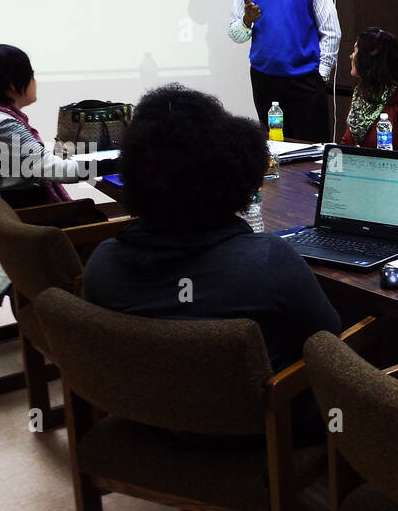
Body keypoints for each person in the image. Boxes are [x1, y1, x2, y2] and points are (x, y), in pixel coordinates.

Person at [82, 84, 340, 375]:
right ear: (232, 173)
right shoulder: (269, 260)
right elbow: (327, 336)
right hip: (266, 416)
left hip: (140, 413)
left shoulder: (102, 264)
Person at [228, 0, 340, 142]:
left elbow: (331, 32)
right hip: (264, 81)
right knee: (274, 146)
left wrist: (321, 74)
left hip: (305, 81)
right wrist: (247, 21)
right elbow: (235, 34)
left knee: (311, 149)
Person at [0, 44, 83, 205]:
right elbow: (59, 171)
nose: (35, 81)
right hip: (6, 216)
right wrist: (111, 163)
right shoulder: (1, 125)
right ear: (12, 84)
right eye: (31, 75)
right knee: (94, 217)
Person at [340, 28, 398, 154]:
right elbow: (347, 143)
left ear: (370, 59)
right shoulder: (361, 95)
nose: (351, 56)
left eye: (356, 51)